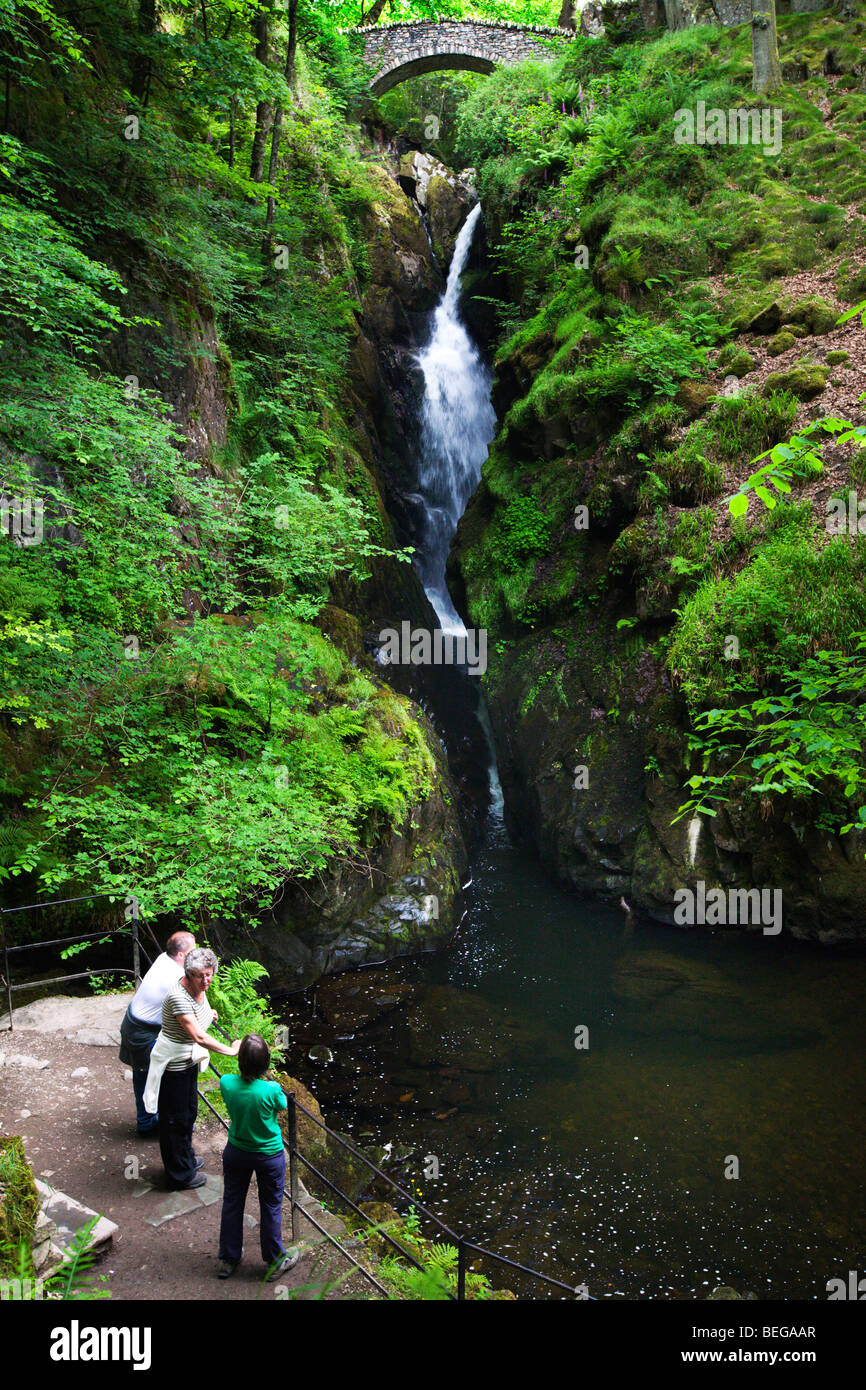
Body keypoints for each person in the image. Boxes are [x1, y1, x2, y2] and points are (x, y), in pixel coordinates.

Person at [143, 947, 240, 1191]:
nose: (206, 980)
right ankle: (179, 1176)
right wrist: (231, 1050)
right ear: (189, 974)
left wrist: (210, 1014)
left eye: (209, 974)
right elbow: (198, 1035)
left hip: (187, 1063)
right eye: (200, 976)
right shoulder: (179, 996)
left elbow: (198, 1014)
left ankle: (184, 1160)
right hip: (173, 1066)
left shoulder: (198, 990)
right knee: (174, 1119)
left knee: (188, 1113)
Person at [217, 1033, 299, 1281]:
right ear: (266, 1064)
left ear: (239, 1061)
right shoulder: (271, 1089)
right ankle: (274, 1259)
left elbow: (237, 1078)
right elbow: (283, 1105)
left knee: (232, 1202)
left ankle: (228, 1258)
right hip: (268, 1155)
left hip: (237, 1151)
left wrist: (235, 1049)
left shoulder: (227, 1083)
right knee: (271, 1206)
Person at [119, 931, 195, 1136]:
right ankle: (149, 1123)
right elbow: (189, 1009)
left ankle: (155, 1118)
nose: (195, 955)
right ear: (181, 955)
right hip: (142, 1032)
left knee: (148, 1075)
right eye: (192, 951)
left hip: (136, 1024)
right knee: (149, 1076)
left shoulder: (164, 958)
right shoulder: (175, 977)